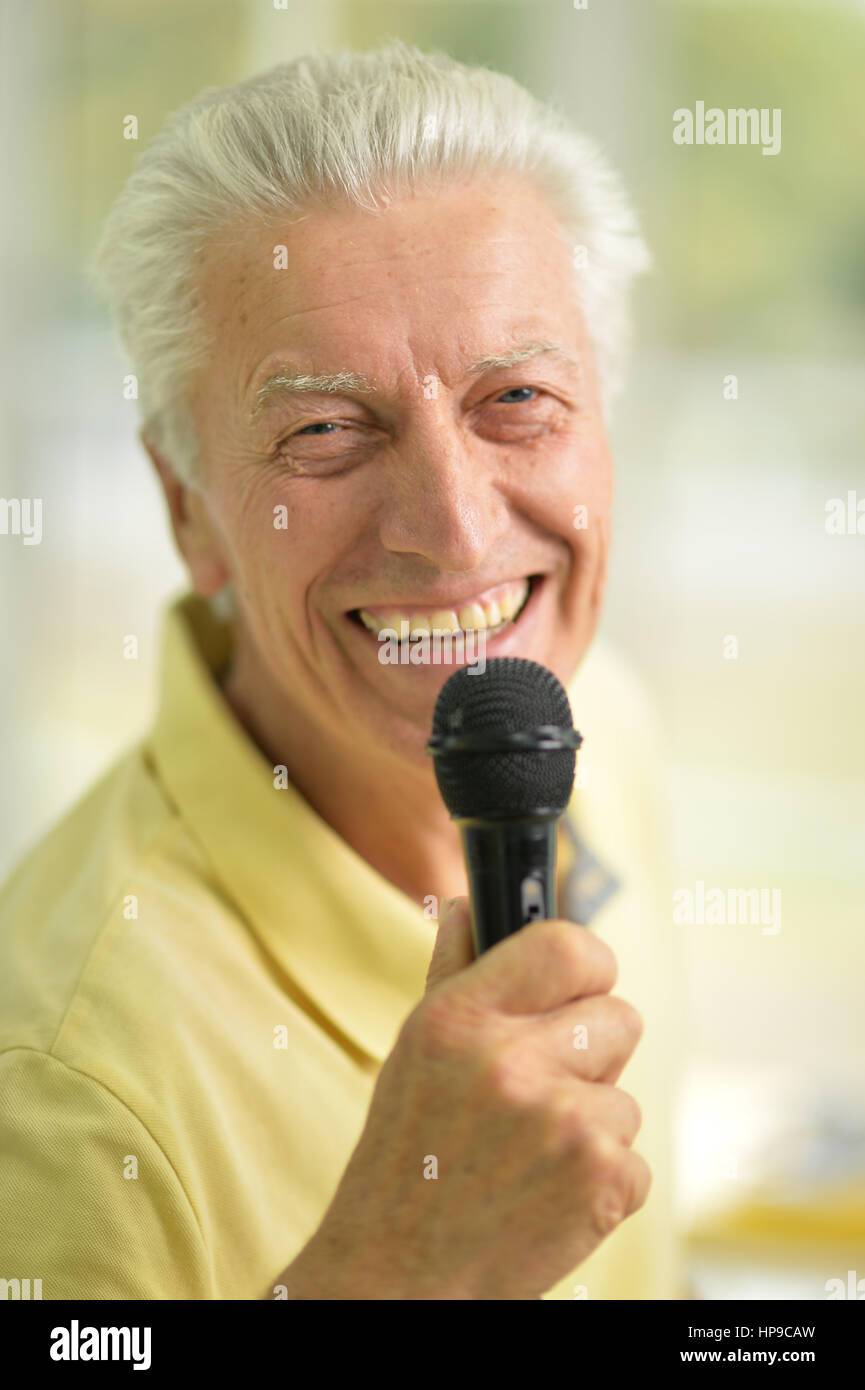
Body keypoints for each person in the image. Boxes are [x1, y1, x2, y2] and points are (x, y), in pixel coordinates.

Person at [0, 41, 683, 1300]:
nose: (456, 532)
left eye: (517, 397)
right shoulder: (62, 1097)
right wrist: (386, 1275)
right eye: (323, 429)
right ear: (189, 509)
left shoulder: (600, 727)